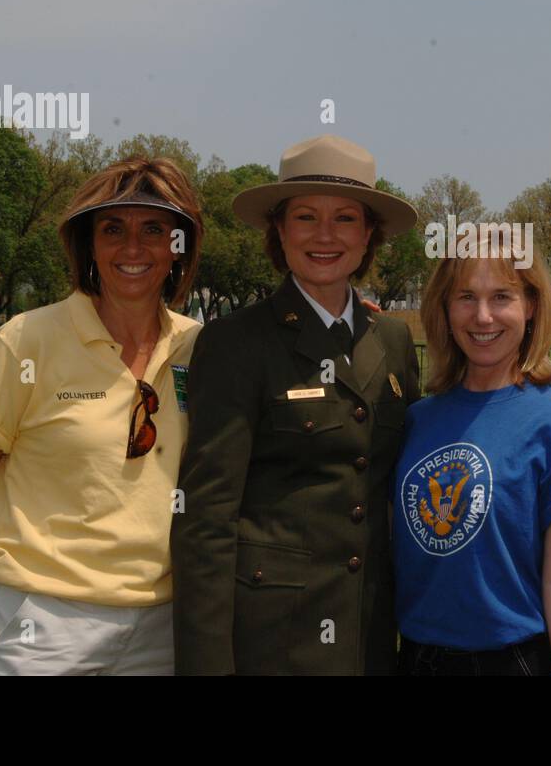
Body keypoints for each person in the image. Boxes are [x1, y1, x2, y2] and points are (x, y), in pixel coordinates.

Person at [0, 157, 204, 675]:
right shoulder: (27, 342)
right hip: (39, 625)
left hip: (162, 627)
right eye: (112, 229)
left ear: (179, 247)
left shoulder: (199, 347)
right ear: (88, 244)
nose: (132, 248)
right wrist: (35, 565)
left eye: (154, 229)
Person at [171, 134, 420, 675]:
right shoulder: (237, 343)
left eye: (346, 219)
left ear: (368, 234)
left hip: (368, 635)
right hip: (272, 641)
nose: (325, 235)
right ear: (278, 231)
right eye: (306, 217)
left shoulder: (394, 341)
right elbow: (205, 520)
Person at [394, 240, 551, 676]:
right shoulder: (417, 420)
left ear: (530, 306)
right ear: (445, 310)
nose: (483, 316)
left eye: (501, 297)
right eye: (466, 297)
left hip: (511, 658)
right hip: (415, 656)